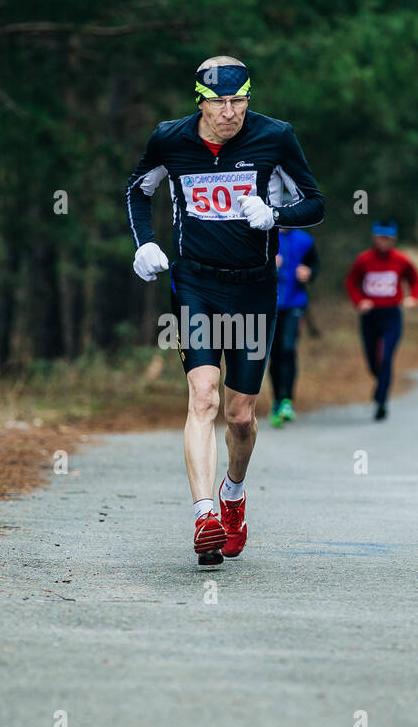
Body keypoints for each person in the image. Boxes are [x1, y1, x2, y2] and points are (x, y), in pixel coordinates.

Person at [125, 55, 324, 565]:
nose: (230, 112)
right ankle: (204, 514)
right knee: (204, 398)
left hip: (255, 288)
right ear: (200, 101)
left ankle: (233, 494)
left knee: (240, 416)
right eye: (219, 103)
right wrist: (145, 244)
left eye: (239, 101)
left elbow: (316, 203)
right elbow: (137, 190)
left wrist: (275, 214)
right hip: (195, 283)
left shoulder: (275, 136)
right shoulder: (170, 139)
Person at [344, 220, 418, 421]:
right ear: (374, 237)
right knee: (372, 361)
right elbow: (351, 282)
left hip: (391, 315)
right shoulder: (364, 260)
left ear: (394, 239)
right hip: (370, 316)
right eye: (380, 238)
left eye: (388, 238)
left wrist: (413, 297)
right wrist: (359, 301)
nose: (384, 242)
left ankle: (381, 401)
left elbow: (415, 279)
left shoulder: (401, 260)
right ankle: (382, 383)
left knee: (386, 357)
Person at [268, 228, 318, 427]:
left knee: (288, 349)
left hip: (295, 304)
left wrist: (309, 272)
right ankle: (276, 401)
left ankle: (287, 400)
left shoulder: (305, 240)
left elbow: (315, 265)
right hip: (269, 304)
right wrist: (268, 264)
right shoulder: (265, 234)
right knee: (274, 354)